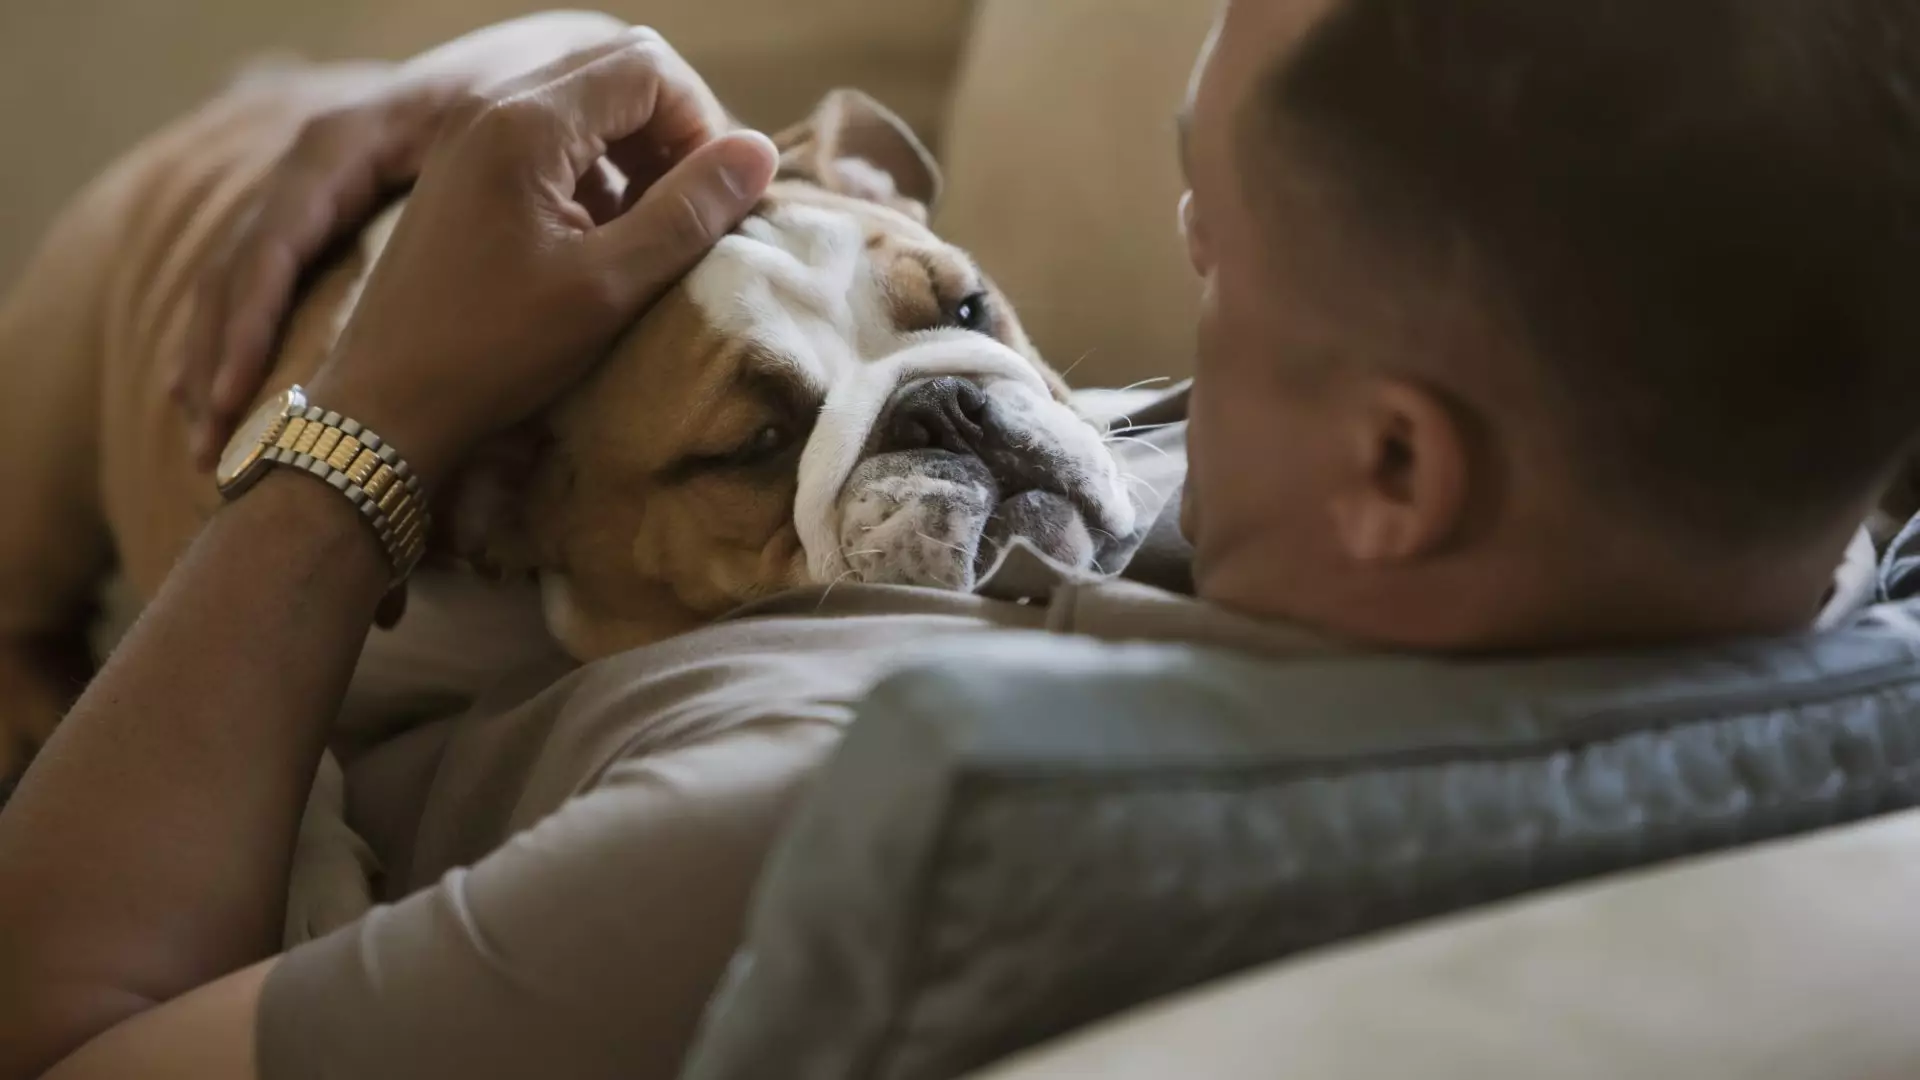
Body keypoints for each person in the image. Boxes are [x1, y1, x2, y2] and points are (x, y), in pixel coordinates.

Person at [4, 0, 1917, 1076]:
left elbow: (68, 1031)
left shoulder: (860, 815)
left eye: (1212, 232)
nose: (1175, 277)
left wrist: (387, 409)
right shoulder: (1765, 564)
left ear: (1397, 473)